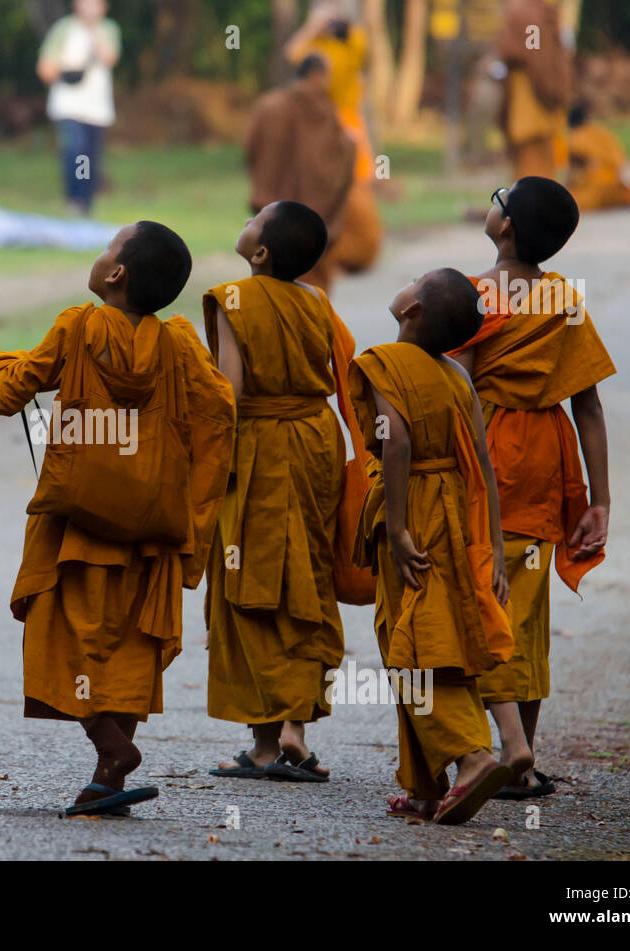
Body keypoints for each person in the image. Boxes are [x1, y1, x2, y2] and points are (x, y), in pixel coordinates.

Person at [0, 221, 235, 816]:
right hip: (150, 526)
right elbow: (221, 410)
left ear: (115, 274)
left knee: (61, 636)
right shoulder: (178, 343)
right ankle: (108, 778)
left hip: (78, 523)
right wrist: (188, 503)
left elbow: (7, 396)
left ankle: (111, 747)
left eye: (108, 249)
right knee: (128, 643)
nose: (100, 257)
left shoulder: (78, 326)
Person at [449, 177, 613, 799]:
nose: (492, 202)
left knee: (482, 600)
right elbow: (589, 407)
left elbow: (457, 390)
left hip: (486, 453)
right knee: (528, 609)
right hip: (545, 460)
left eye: (499, 196)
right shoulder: (564, 300)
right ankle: (527, 757)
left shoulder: (470, 296)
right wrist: (601, 500)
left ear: (506, 225)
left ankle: (503, 747)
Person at [349, 268, 516, 825]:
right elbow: (483, 466)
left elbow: (394, 444)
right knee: (437, 636)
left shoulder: (382, 363)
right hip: (454, 510)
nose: (406, 281)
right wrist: (491, 548)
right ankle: (424, 787)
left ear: (412, 310)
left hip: (414, 508)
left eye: (415, 280)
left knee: (415, 647)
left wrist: (396, 530)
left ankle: (471, 756)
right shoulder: (456, 376)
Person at [202, 202, 359, 782]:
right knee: (308, 577)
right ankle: (293, 728)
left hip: (260, 443)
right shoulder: (317, 300)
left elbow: (231, 394)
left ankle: (266, 744)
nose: (250, 214)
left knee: (251, 584)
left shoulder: (233, 300)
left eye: (258, 217)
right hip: (315, 442)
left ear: (260, 252)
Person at [284, 0, 382, 273]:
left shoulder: (351, 40)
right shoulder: (314, 45)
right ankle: (320, 250)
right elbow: (292, 54)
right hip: (315, 128)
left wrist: (342, 27)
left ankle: (355, 251)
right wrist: (311, 28)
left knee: (356, 188)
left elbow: (366, 52)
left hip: (347, 122)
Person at [245, 55, 355, 292]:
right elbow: (342, 154)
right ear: (317, 75)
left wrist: (266, 186)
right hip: (313, 216)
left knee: (269, 280)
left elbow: (251, 150)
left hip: (270, 209)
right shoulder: (324, 110)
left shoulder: (269, 105)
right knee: (310, 289)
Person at [36, 0, 121, 216]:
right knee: (77, 152)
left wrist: (94, 31)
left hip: (97, 108)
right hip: (69, 105)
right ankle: (75, 200)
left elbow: (110, 57)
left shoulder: (108, 29)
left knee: (91, 156)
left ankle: (87, 202)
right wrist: (66, 72)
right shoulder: (64, 29)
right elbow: (45, 68)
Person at [497, 0, 571, 180]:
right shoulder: (529, 14)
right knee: (531, 154)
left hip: (535, 92)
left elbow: (535, 54)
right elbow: (534, 55)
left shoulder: (530, 14)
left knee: (538, 155)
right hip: (531, 93)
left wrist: (548, 89)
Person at [566, 103, 630, 211]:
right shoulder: (602, 132)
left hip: (597, 187)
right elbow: (620, 160)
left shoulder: (575, 138)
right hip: (619, 183)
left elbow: (581, 165)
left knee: (567, 203)